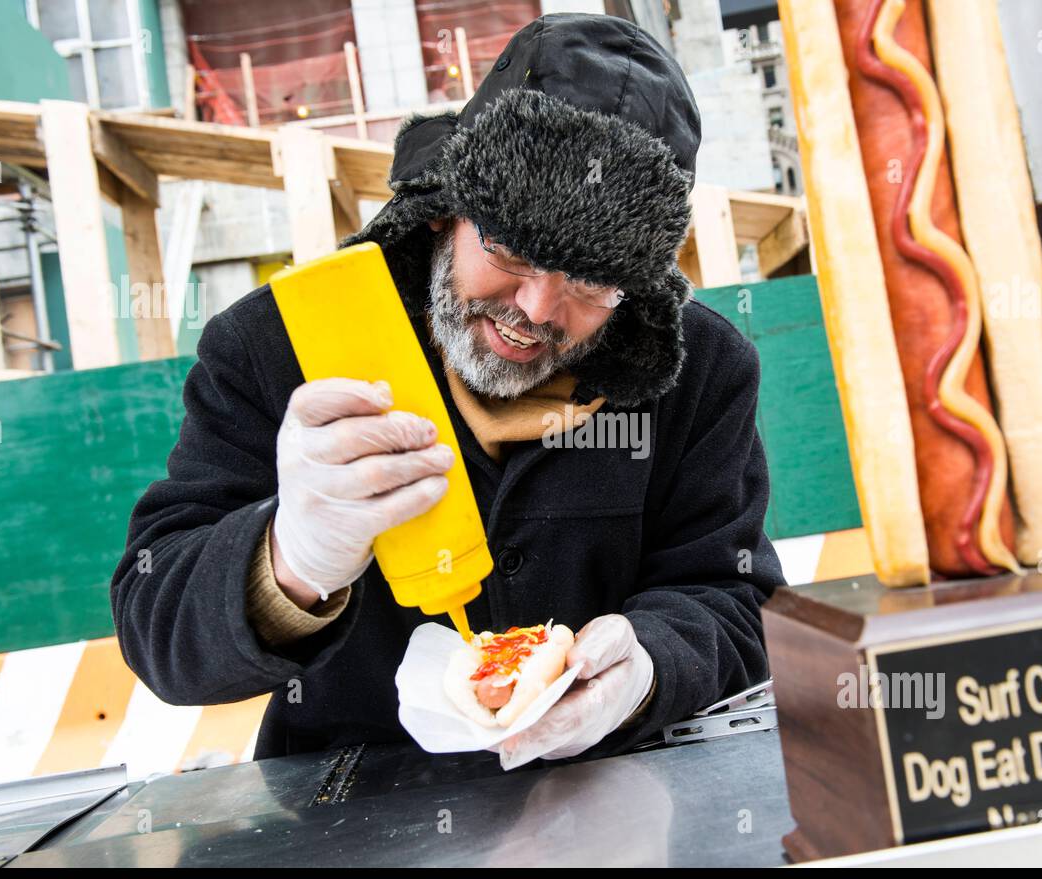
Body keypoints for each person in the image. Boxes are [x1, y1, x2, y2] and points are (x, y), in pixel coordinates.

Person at [111, 12, 785, 770]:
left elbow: (737, 604)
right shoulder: (276, 346)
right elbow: (154, 626)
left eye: (592, 281)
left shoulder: (705, 372)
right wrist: (288, 559)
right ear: (445, 210)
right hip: (347, 808)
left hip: (616, 791)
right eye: (510, 249)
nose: (535, 310)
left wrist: (650, 669)